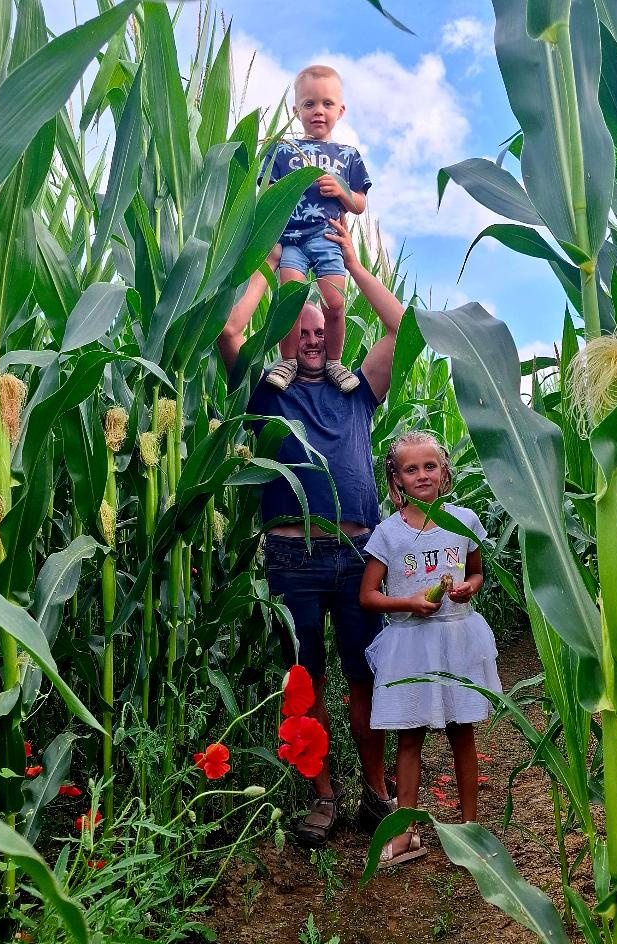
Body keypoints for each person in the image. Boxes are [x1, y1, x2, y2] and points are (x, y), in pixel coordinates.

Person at [217, 215, 404, 847]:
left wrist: (349, 266)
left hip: (356, 556)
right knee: (306, 682)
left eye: (322, 330)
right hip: (292, 557)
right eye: (302, 332)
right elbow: (229, 329)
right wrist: (269, 270)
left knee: (364, 677)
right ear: (286, 339)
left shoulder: (359, 393)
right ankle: (322, 795)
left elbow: (401, 326)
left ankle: (377, 791)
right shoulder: (268, 394)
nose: (315, 340)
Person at [358, 432, 502, 864]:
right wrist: (409, 602)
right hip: (410, 644)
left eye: (430, 466)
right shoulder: (389, 533)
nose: (421, 475)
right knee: (410, 739)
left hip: (457, 638)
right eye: (410, 469)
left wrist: (466, 590)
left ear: (444, 472)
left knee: (462, 733)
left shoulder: (464, 522)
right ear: (397, 478)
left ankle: (471, 830)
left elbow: (476, 573)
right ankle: (405, 834)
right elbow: (368, 596)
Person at [265, 64, 370, 395]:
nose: (318, 111)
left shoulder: (348, 156)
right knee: (289, 301)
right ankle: (288, 360)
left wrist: (341, 191)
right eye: (309, 104)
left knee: (335, 304)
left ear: (341, 110)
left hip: (328, 238)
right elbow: (267, 195)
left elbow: (359, 203)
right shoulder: (281, 150)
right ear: (296, 111)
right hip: (291, 241)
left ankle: (335, 362)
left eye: (327, 104)